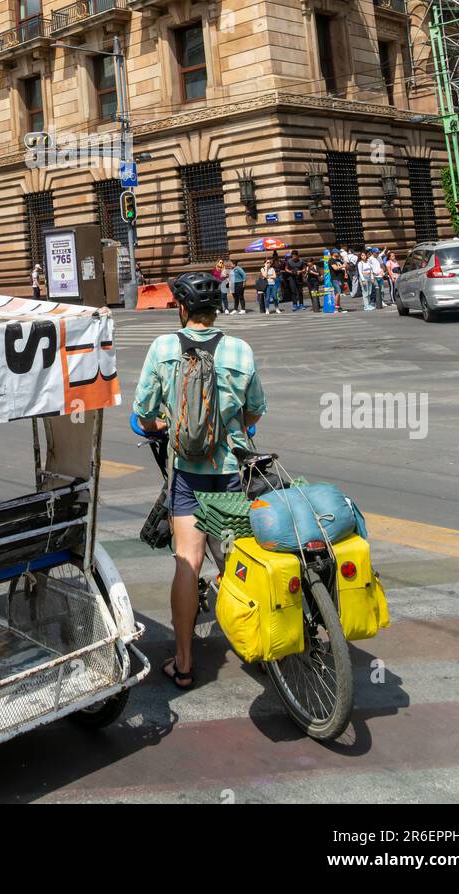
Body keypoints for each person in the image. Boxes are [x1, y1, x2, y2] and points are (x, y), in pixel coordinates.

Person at [133, 271, 266, 690]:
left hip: (188, 476)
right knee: (236, 562)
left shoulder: (163, 348)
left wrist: (167, 426)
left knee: (187, 562)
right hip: (232, 473)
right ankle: (259, 643)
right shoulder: (240, 351)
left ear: (181, 307)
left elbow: (143, 415)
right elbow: (254, 412)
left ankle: (185, 662)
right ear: (218, 308)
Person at [329, 249, 348, 313]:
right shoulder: (331, 260)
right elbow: (335, 268)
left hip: (340, 278)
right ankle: (336, 308)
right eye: (337, 253)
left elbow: (345, 266)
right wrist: (342, 266)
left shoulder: (338, 260)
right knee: (338, 292)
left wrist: (344, 260)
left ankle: (338, 307)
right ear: (334, 253)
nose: (338, 253)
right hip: (335, 278)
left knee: (339, 293)